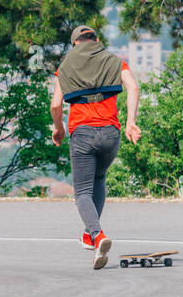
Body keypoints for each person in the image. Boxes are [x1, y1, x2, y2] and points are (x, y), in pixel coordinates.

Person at [50, 25, 141, 270]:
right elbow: (133, 87)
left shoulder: (66, 67)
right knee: (99, 178)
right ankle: (90, 236)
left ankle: (98, 235)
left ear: (75, 44)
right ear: (96, 40)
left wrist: (58, 127)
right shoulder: (114, 61)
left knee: (81, 192)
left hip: (83, 133)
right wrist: (131, 122)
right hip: (111, 133)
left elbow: (56, 104)